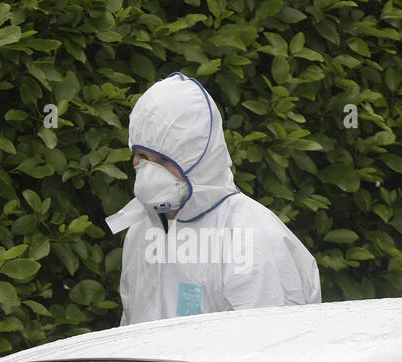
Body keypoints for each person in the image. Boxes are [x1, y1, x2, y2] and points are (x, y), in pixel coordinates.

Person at [106, 72, 321, 325]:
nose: (150, 172)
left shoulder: (251, 240)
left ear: (201, 160)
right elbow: (131, 326)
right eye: (142, 156)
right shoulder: (142, 230)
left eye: (164, 160)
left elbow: (269, 341)